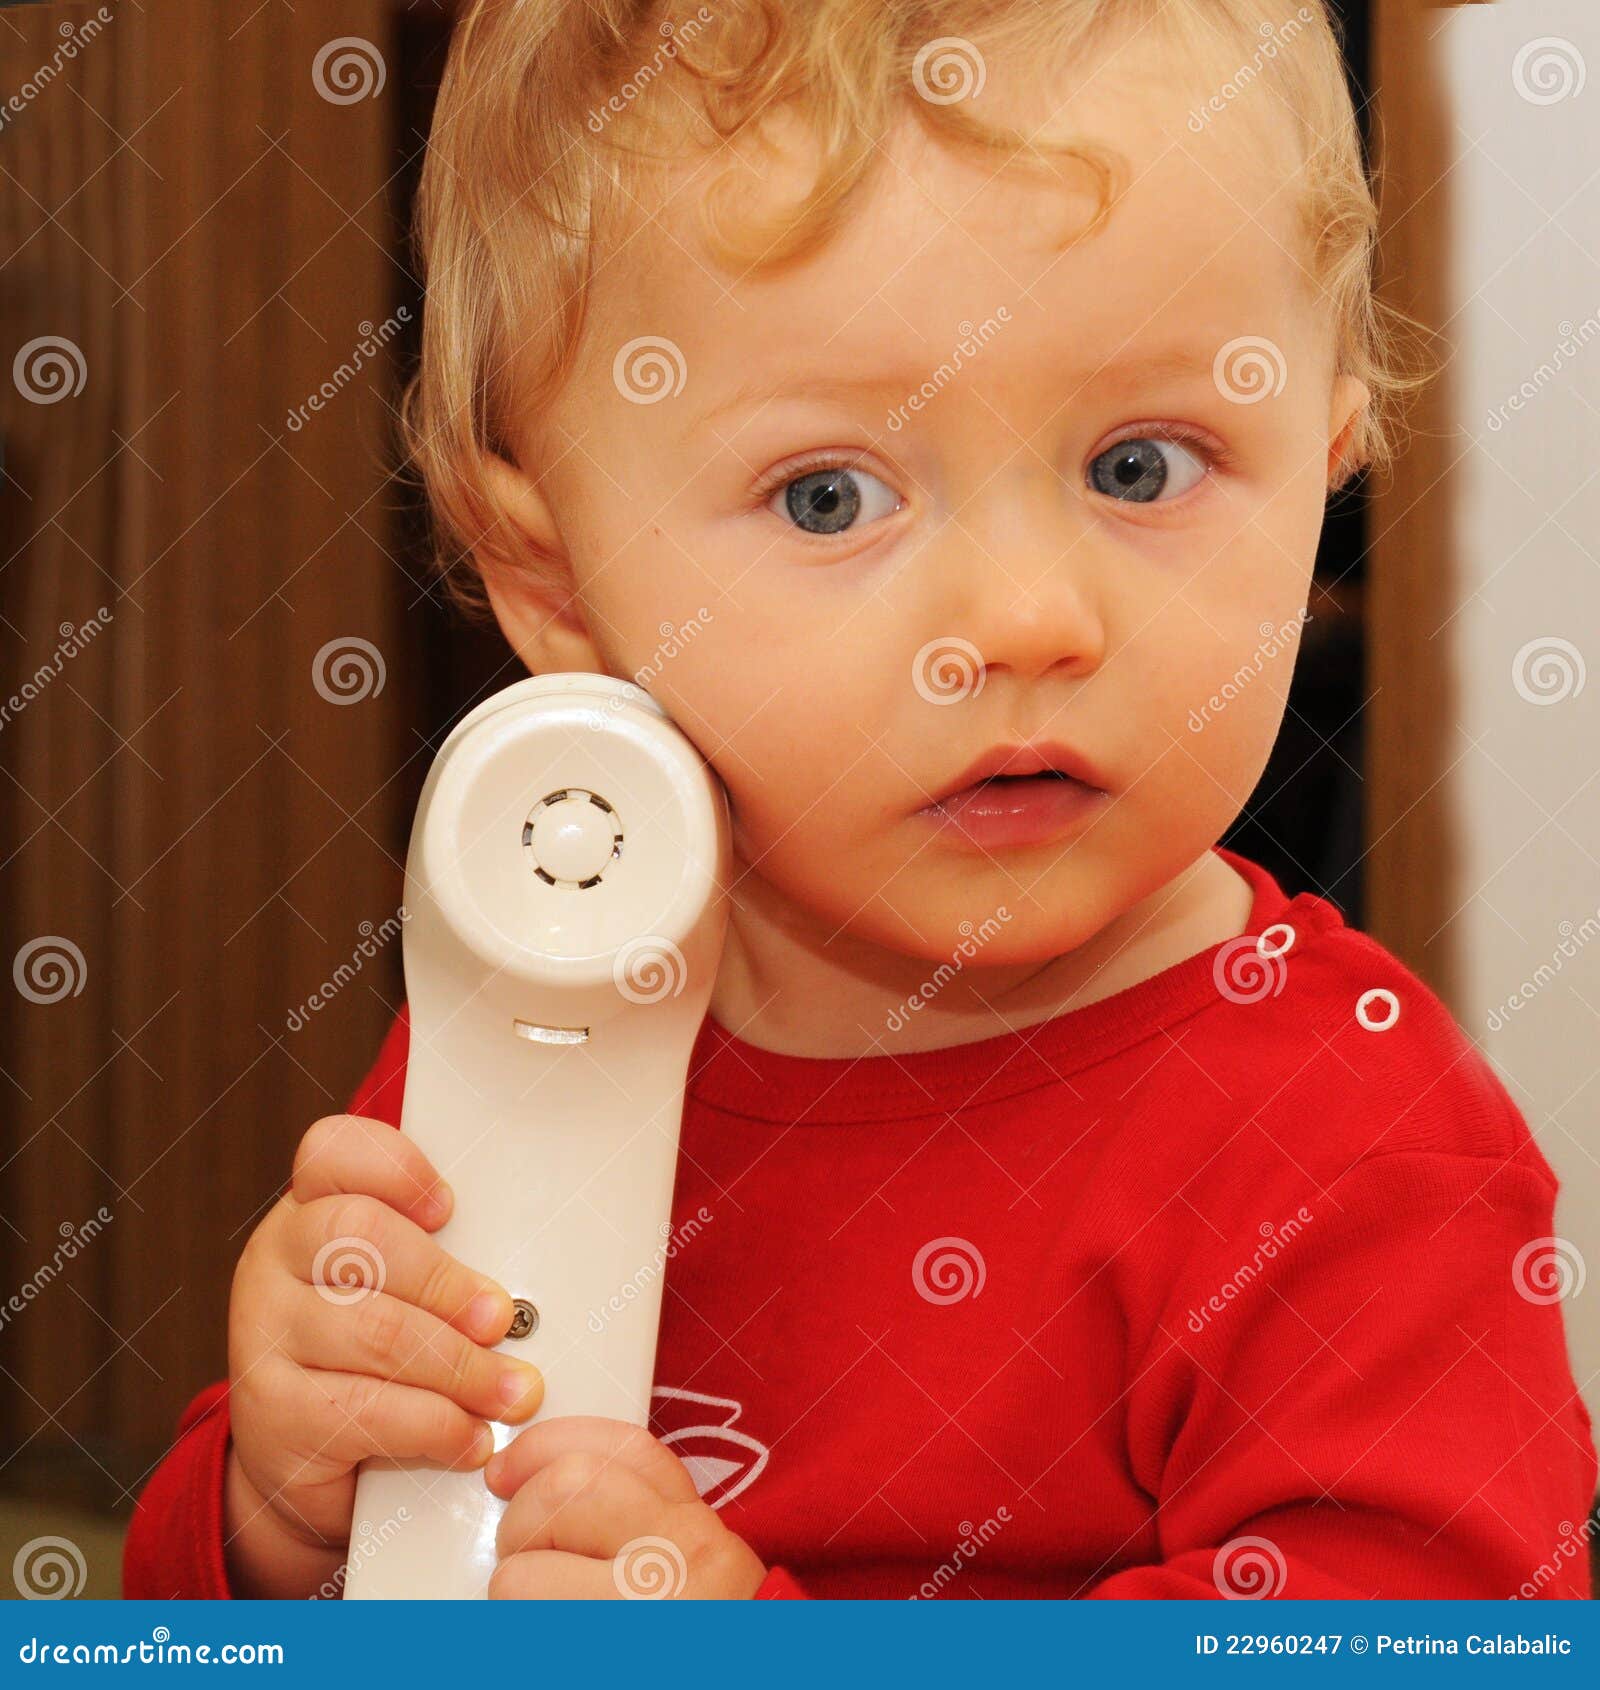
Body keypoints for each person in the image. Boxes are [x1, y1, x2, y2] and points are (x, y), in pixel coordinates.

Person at [124, 0, 1597, 1600]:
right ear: (549, 574)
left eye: (1142, 468)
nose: (1030, 619)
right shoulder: (541, 1022)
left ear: (1329, 454)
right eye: (832, 497)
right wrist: (286, 1507)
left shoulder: (1355, 1154)